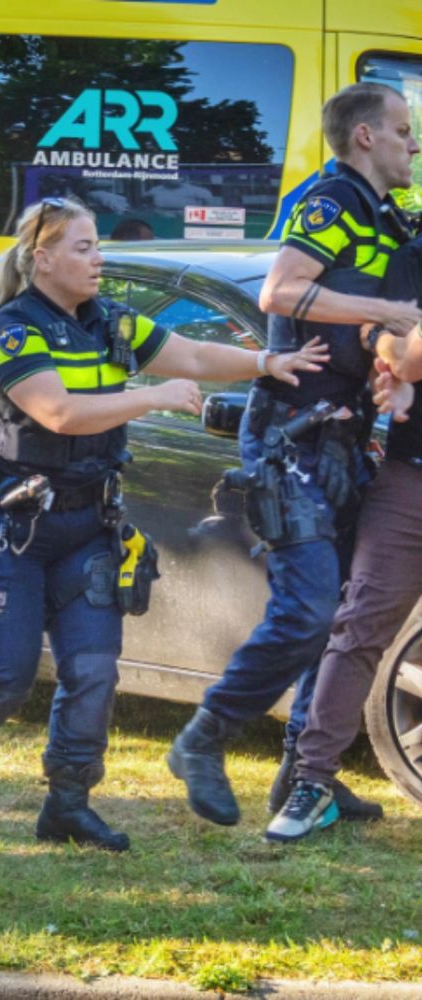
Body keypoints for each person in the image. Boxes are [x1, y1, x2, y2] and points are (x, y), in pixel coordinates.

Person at [0, 196, 326, 852]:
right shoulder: (13, 329)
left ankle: (67, 804)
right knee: (0, 683)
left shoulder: (111, 323)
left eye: (97, 246)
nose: (99, 259)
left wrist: (269, 363)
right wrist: (151, 396)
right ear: (42, 259)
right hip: (6, 532)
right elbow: (59, 413)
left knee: (93, 674)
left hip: (87, 528)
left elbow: (198, 357)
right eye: (84, 248)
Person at [167, 82, 422, 828]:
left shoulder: (384, 216)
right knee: (311, 611)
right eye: (404, 130)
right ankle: (203, 739)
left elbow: (377, 339)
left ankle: (301, 780)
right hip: (293, 435)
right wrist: (387, 315)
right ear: (367, 137)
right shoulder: (331, 200)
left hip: (342, 436)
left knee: (335, 612)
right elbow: (279, 291)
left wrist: (387, 374)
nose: (414, 143)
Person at [266, 231, 422, 841]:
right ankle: (312, 783)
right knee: (358, 628)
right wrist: (389, 345)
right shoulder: (413, 253)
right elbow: (398, 351)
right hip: (410, 477)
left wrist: (396, 349)